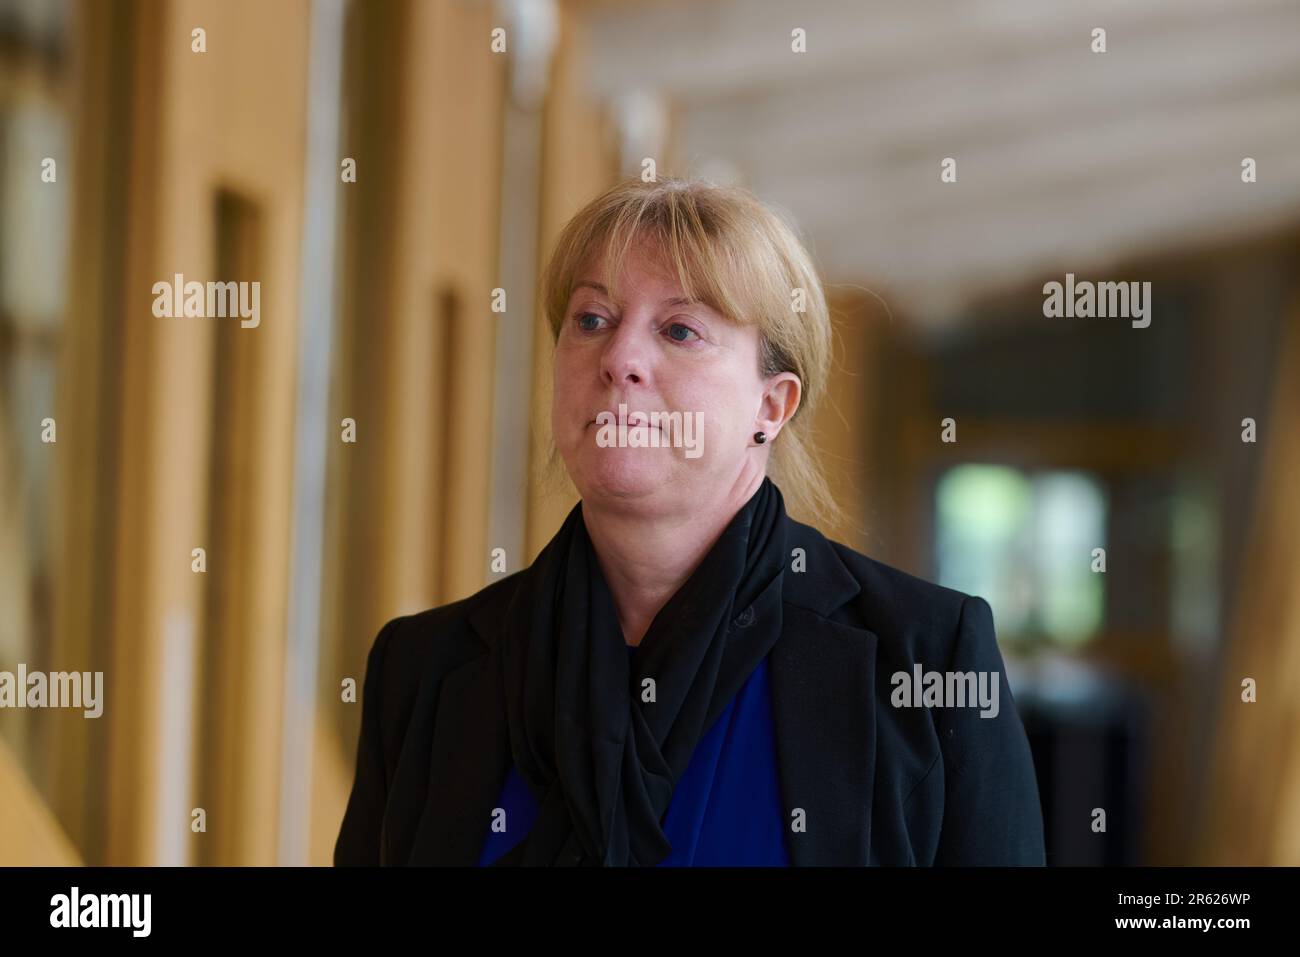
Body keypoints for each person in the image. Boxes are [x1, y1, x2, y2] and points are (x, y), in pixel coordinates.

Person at [334, 176, 1046, 866]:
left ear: (772, 405)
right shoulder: (425, 669)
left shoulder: (924, 659)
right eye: (591, 319)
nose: (619, 359)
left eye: (679, 329)